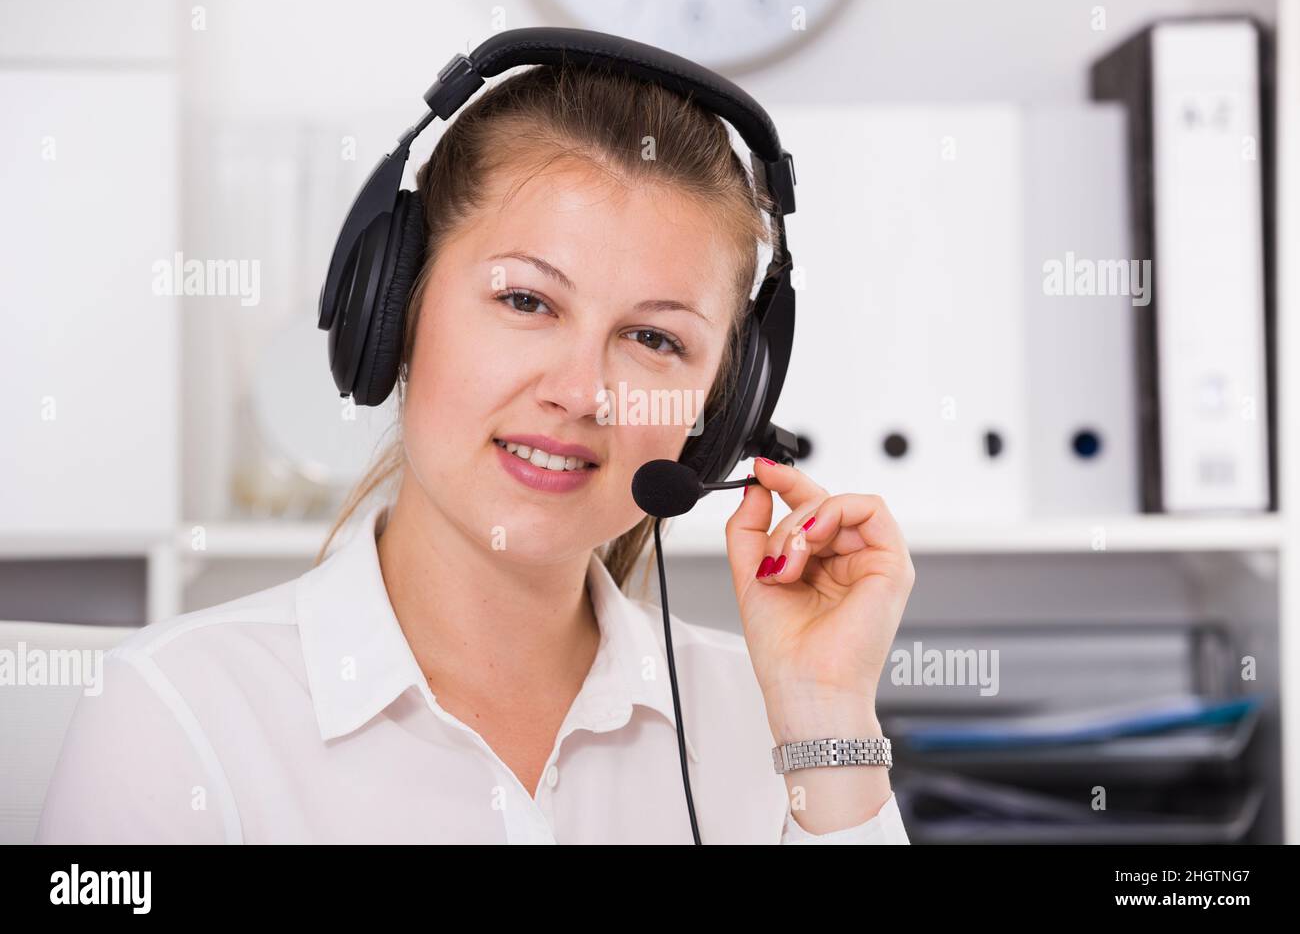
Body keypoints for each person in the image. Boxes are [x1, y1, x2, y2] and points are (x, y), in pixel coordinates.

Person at [36, 61, 914, 844]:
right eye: (526, 301)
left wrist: (823, 715)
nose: (579, 391)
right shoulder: (178, 716)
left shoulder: (768, 723)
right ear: (394, 313)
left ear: (719, 411)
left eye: (652, 337)